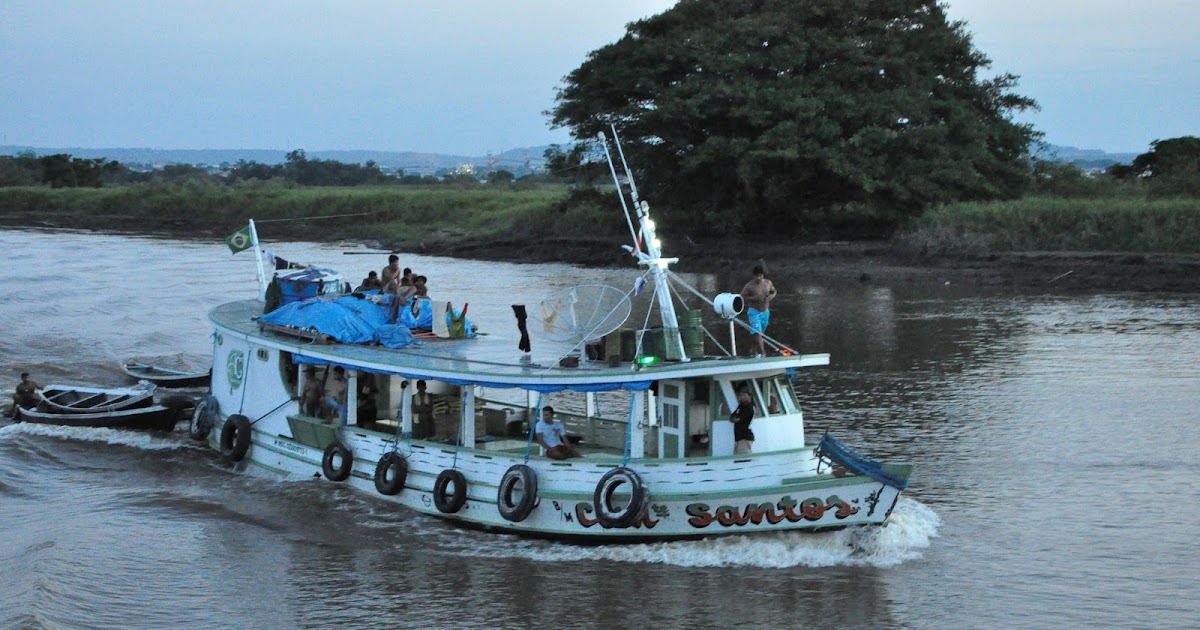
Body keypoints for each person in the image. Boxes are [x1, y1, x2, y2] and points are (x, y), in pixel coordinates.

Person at [739, 264, 777, 357]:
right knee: (757, 332)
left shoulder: (768, 283)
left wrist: (771, 297)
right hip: (754, 312)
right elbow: (741, 296)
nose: (759, 278)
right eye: (757, 276)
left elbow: (774, 291)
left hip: (765, 312)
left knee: (759, 334)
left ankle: (753, 349)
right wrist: (754, 298)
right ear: (754, 276)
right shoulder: (749, 286)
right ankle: (763, 353)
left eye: (761, 275)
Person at [730, 388, 755, 454]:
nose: (741, 397)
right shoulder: (741, 406)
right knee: (737, 458)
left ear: (749, 395)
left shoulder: (749, 407)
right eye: (740, 395)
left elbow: (737, 419)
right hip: (739, 437)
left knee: (743, 460)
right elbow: (732, 417)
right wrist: (734, 418)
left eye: (744, 395)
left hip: (745, 437)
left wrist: (735, 418)